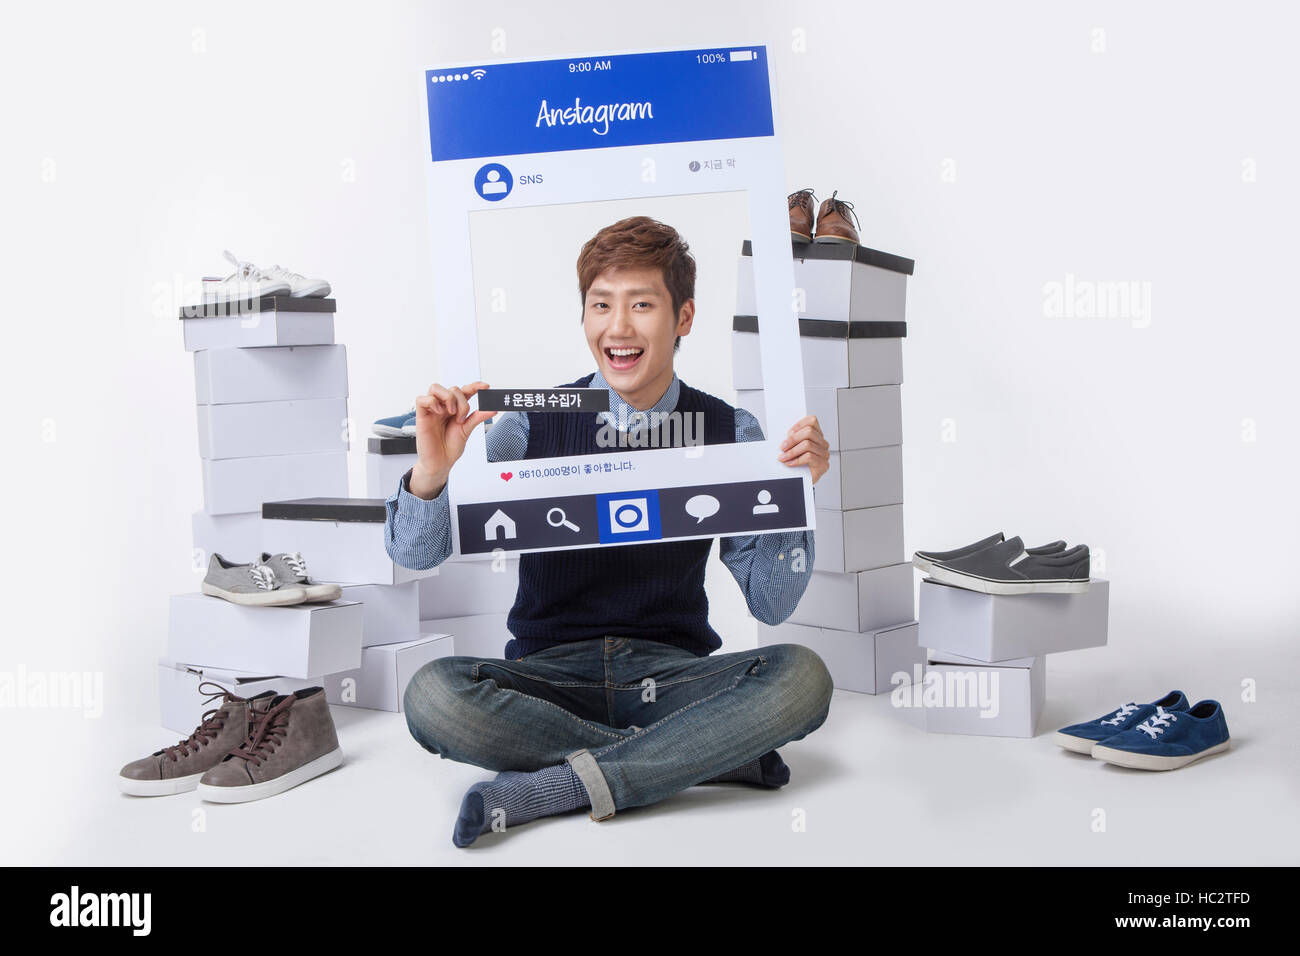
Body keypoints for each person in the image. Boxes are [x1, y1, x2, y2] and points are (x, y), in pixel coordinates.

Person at [386, 215, 833, 847]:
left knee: (804, 678)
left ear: (683, 318)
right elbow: (414, 553)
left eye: (642, 304)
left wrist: (796, 497)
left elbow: (773, 604)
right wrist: (431, 473)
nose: (617, 327)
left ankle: (558, 786)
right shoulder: (529, 423)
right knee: (432, 695)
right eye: (601, 305)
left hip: (673, 679)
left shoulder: (732, 429)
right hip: (547, 683)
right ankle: (708, 756)